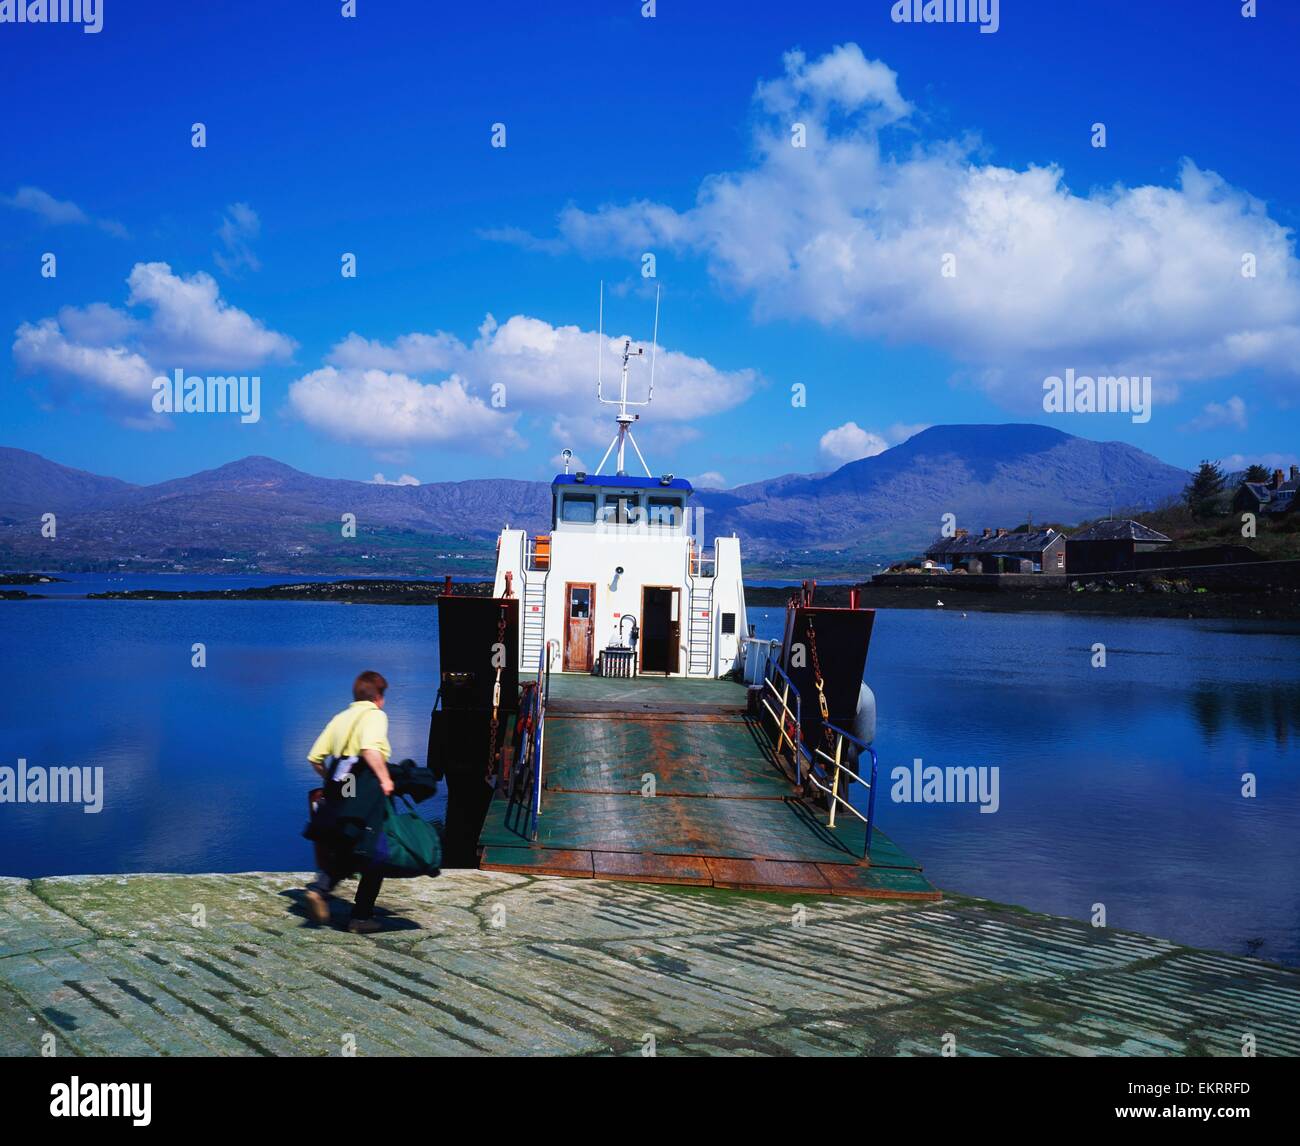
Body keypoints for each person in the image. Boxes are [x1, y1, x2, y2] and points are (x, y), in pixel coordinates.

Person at [304, 670, 395, 934]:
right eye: (383, 696)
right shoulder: (376, 716)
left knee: (347, 839)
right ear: (378, 697)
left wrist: (331, 781)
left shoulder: (340, 718)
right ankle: (361, 917)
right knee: (375, 851)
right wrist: (385, 779)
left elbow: (314, 758)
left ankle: (321, 890)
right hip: (365, 784)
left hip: (341, 781)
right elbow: (369, 749)